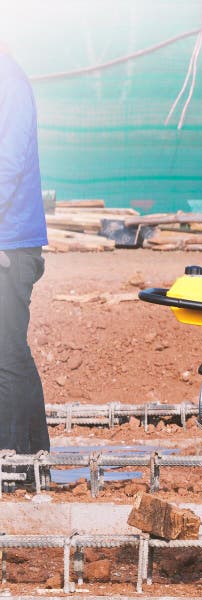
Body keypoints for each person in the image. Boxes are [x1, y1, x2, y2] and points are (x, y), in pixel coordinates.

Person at [0, 43, 50, 492]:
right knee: (10, 352)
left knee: (6, 355)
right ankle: (34, 462)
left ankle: (15, 468)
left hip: (9, 245)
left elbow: (7, 164)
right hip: (9, 241)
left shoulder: (7, 81)